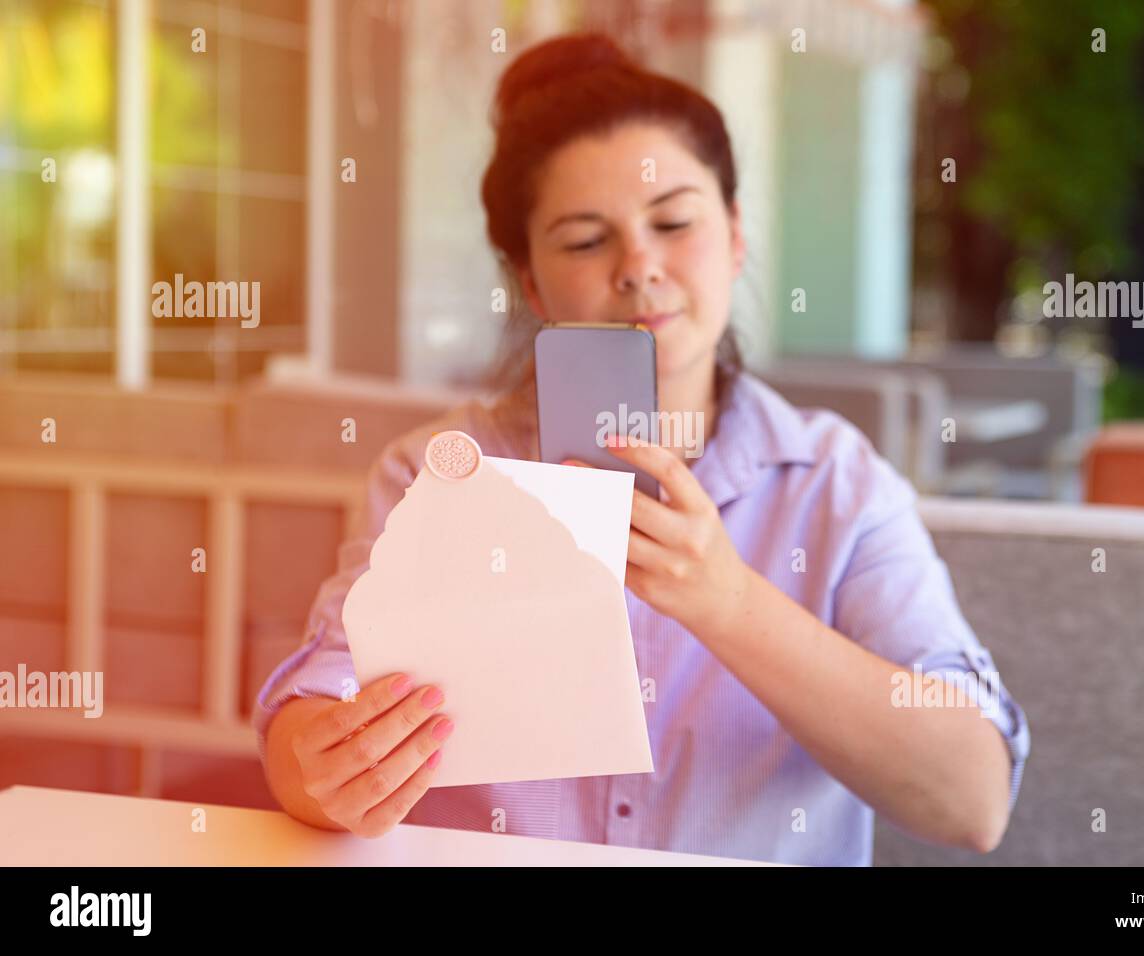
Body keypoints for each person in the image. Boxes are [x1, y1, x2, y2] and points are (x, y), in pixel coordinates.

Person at [256, 31, 1029, 865]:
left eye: (673, 222)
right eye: (586, 240)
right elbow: (315, 703)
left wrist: (729, 603)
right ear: (531, 283)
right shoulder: (440, 471)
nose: (639, 266)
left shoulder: (835, 482)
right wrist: (321, 772)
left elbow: (973, 798)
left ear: (734, 237)